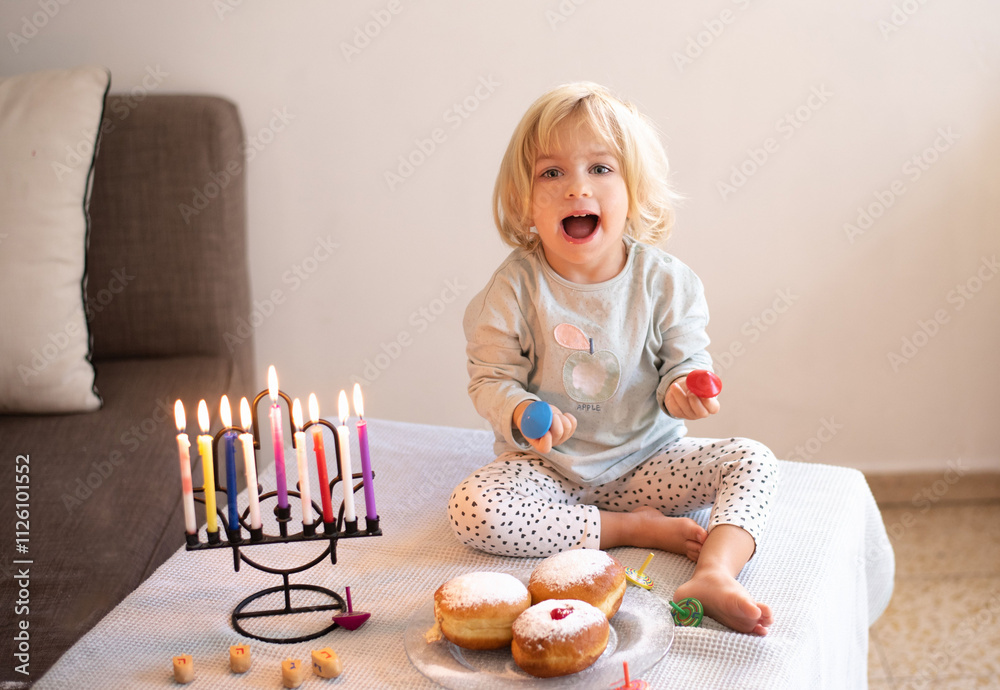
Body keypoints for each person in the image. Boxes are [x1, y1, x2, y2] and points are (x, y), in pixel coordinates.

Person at [450, 82, 777, 636]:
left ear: (634, 193)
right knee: (472, 509)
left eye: (600, 169)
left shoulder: (665, 282)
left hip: (647, 461)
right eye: (551, 173)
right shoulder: (514, 287)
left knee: (753, 459)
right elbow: (491, 376)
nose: (577, 188)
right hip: (547, 470)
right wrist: (521, 409)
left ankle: (715, 572)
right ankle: (627, 529)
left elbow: (684, 360)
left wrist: (685, 388)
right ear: (524, 202)